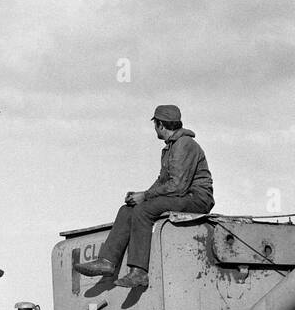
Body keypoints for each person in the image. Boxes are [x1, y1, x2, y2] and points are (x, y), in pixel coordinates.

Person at [78, 104, 214, 288]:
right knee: (128, 210)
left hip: (197, 198)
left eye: (155, 124)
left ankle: (139, 272)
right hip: (183, 195)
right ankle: (107, 262)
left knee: (143, 211)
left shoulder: (184, 145)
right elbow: (162, 181)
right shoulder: (171, 147)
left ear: (160, 125)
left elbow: (178, 186)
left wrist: (146, 197)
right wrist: (141, 195)